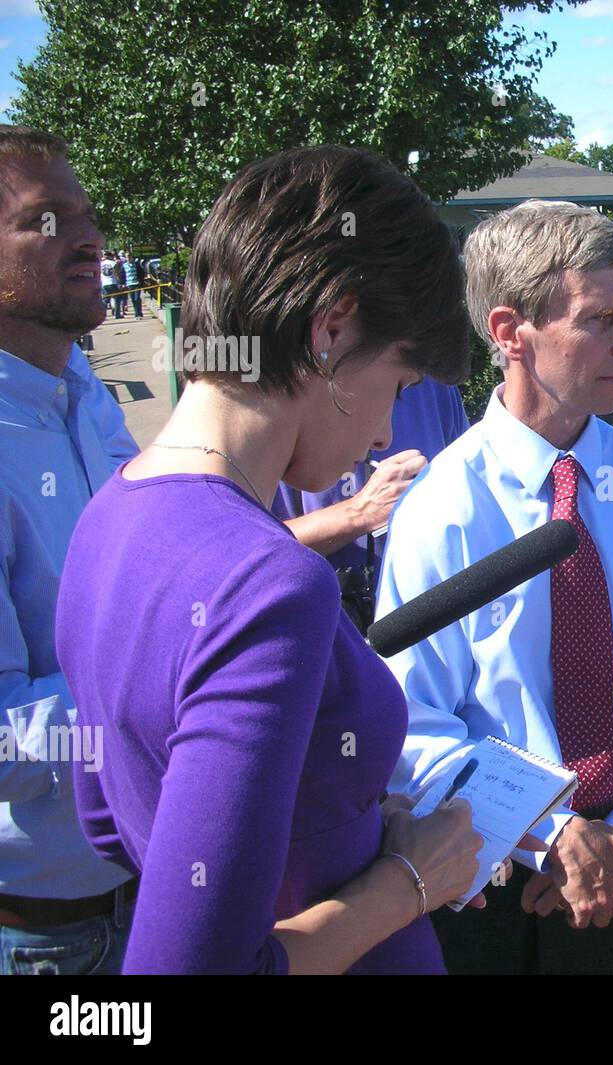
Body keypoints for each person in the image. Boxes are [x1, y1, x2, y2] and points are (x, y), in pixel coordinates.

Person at [55, 145, 488, 974]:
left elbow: (108, 820)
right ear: (331, 330)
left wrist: (342, 826)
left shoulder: (106, 515)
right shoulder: (270, 584)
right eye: (398, 382)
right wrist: (407, 880)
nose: (386, 435)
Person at [378, 198, 613, 975]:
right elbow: (413, 723)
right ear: (511, 332)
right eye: (600, 319)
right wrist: (554, 833)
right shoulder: (441, 509)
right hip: (505, 885)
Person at [0, 125, 140, 975]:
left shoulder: (84, 388)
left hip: (150, 883)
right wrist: (165, 684)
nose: (89, 239)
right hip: (46, 933)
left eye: (87, 216)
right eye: (46, 221)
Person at [273, 378, 471, 630]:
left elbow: (470, 504)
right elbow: (245, 553)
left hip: (432, 633)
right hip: (325, 637)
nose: (384, 438)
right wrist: (360, 513)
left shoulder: (435, 385)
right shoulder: (285, 389)